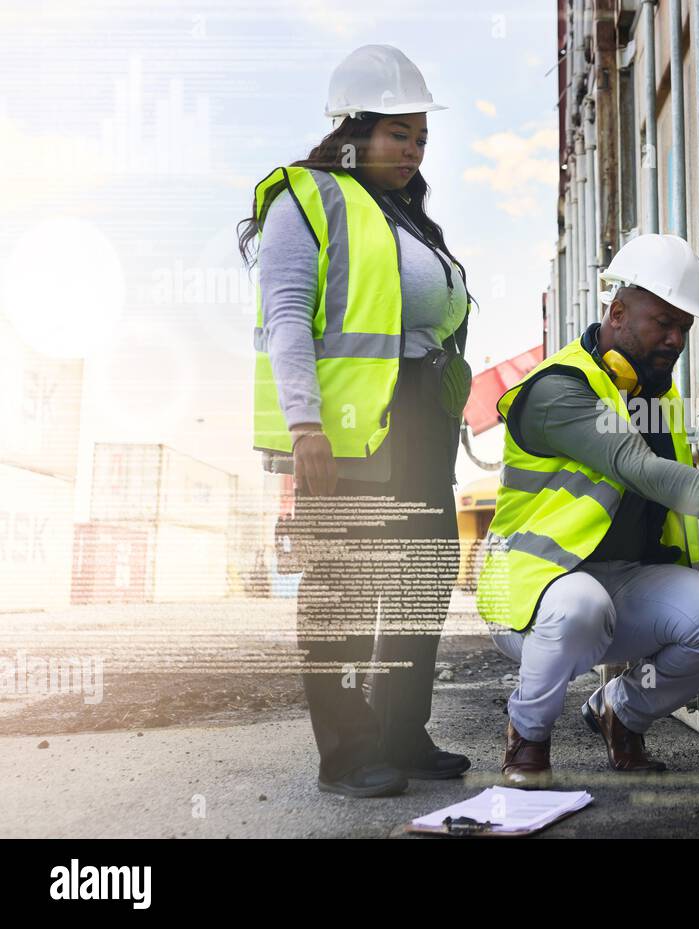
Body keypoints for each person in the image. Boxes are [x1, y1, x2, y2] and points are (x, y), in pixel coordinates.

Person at [475, 233, 699, 787]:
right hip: (535, 591)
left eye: (683, 327)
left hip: (622, 585)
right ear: (616, 312)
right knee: (580, 604)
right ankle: (527, 737)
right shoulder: (559, 390)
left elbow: (657, 494)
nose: (676, 339)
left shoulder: (656, 397)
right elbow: (640, 470)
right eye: (663, 323)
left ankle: (621, 712)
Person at [238, 44, 475, 798]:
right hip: (345, 424)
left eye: (421, 138)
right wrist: (306, 425)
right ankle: (346, 751)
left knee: (420, 577)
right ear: (353, 129)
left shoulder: (402, 217)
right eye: (399, 132)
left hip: (419, 416)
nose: (413, 149)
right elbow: (286, 316)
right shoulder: (304, 198)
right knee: (343, 587)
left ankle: (402, 733)